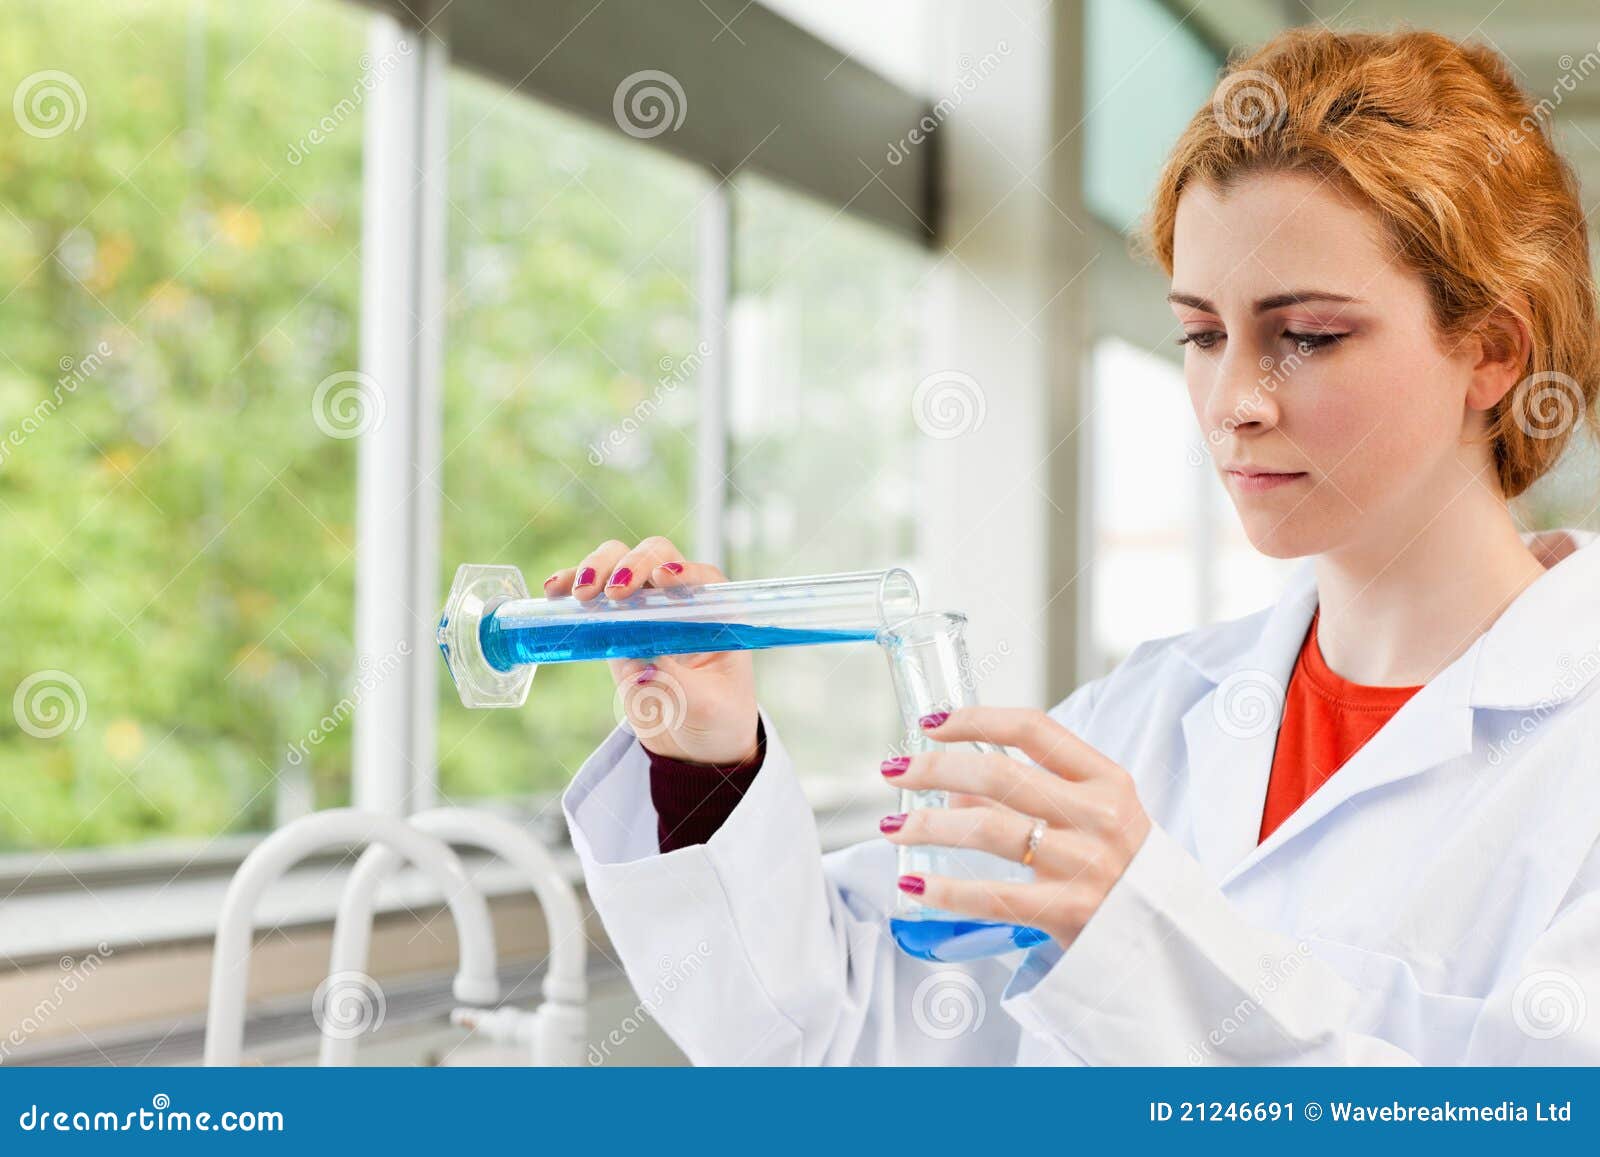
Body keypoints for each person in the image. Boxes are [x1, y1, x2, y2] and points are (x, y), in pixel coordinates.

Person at [550, 28, 1600, 1064]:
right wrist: (707, 757)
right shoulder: (1143, 716)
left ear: (1491, 350)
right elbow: (841, 1034)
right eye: (1202, 334)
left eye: (1306, 336)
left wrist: (1140, 931)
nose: (1233, 400)